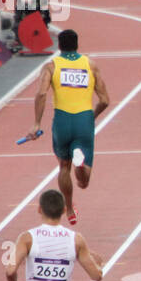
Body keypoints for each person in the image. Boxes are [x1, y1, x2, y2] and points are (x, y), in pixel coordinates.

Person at [27, 29, 111, 225]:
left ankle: (70, 208)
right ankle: (80, 166)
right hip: (84, 119)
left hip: (62, 121)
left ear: (59, 46)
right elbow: (105, 100)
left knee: (64, 166)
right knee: (84, 182)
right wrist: (92, 117)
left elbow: (41, 94)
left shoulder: (51, 67)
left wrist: (36, 123)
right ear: (77, 44)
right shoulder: (90, 65)